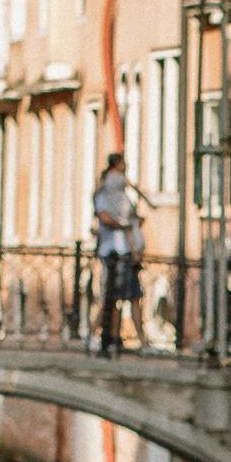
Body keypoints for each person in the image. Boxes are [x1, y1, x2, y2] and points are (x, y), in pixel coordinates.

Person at [90, 148, 144, 348]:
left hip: (124, 250)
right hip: (115, 251)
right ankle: (100, 336)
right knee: (111, 297)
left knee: (121, 297)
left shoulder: (118, 195)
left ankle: (112, 337)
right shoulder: (105, 193)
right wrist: (124, 225)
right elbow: (104, 216)